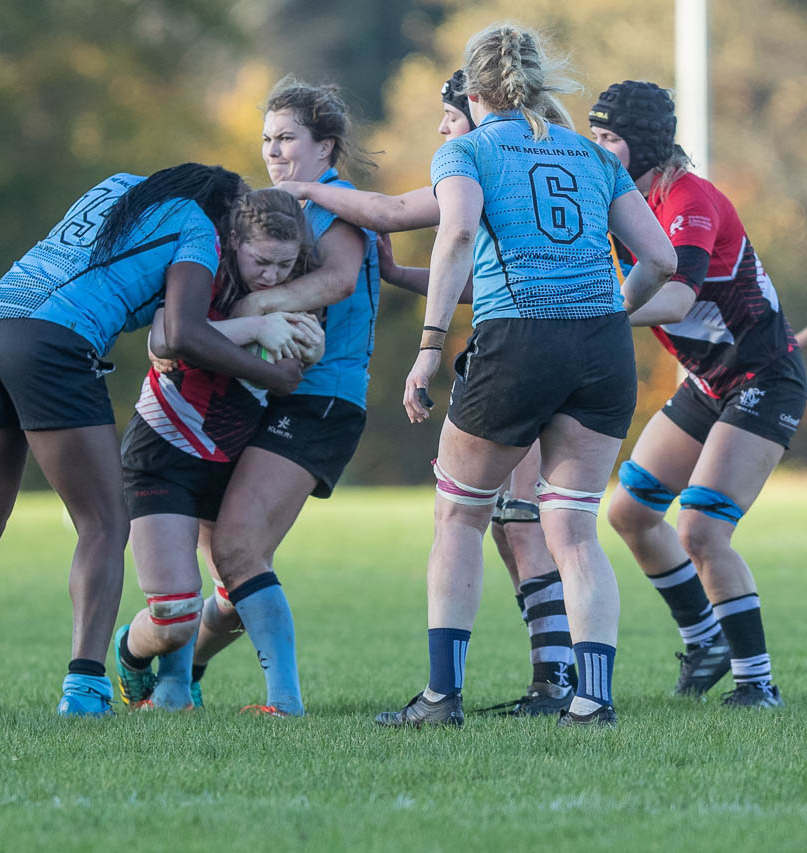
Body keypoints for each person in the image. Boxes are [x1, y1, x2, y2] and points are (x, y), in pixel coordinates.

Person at [0, 163, 303, 718]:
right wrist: (270, 374)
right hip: (54, 341)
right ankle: (86, 690)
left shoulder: (115, 186)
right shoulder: (198, 226)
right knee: (105, 523)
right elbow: (184, 333)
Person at [371, 24, 675, 729]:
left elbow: (456, 235)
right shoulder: (590, 153)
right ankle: (591, 701)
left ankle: (441, 698)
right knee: (574, 526)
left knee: (459, 513)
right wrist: (610, 309)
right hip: (602, 346)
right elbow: (661, 259)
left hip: (519, 337)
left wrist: (427, 348)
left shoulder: (467, 149)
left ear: (474, 93)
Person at [284, 71, 581, 716]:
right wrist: (398, 273)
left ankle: (531, 683)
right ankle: (559, 679)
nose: (444, 129)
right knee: (521, 516)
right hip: (579, 346)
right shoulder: (550, 157)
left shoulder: (480, 160)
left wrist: (302, 189)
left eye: (451, 114)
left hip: (522, 351)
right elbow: (479, 280)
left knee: (507, 516)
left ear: (479, 109)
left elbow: (389, 211)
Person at [597, 81, 804, 709]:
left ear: (644, 144)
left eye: (609, 138)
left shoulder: (690, 199)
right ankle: (705, 641)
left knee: (702, 529)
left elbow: (676, 299)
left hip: (763, 379)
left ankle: (757, 685)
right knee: (629, 512)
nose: (597, 149)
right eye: (593, 136)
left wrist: (590, 316)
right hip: (709, 382)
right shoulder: (624, 201)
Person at [179, 77, 379, 717]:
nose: (273, 150)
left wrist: (254, 309)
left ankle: (281, 703)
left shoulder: (338, 205)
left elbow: (340, 280)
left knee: (238, 552)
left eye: (288, 138)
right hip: (261, 396)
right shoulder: (268, 208)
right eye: (267, 138)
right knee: (231, 568)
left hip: (319, 398)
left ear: (326, 147)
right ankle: (177, 674)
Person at [114, 188, 324, 710]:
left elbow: (292, 369)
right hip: (162, 448)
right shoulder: (201, 266)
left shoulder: (298, 285)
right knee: (175, 613)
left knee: (239, 584)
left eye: (284, 264)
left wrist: (310, 347)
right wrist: (256, 326)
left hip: (230, 455)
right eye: (261, 261)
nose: (272, 275)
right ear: (233, 241)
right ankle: (130, 652)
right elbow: (164, 339)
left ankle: (243, 698)